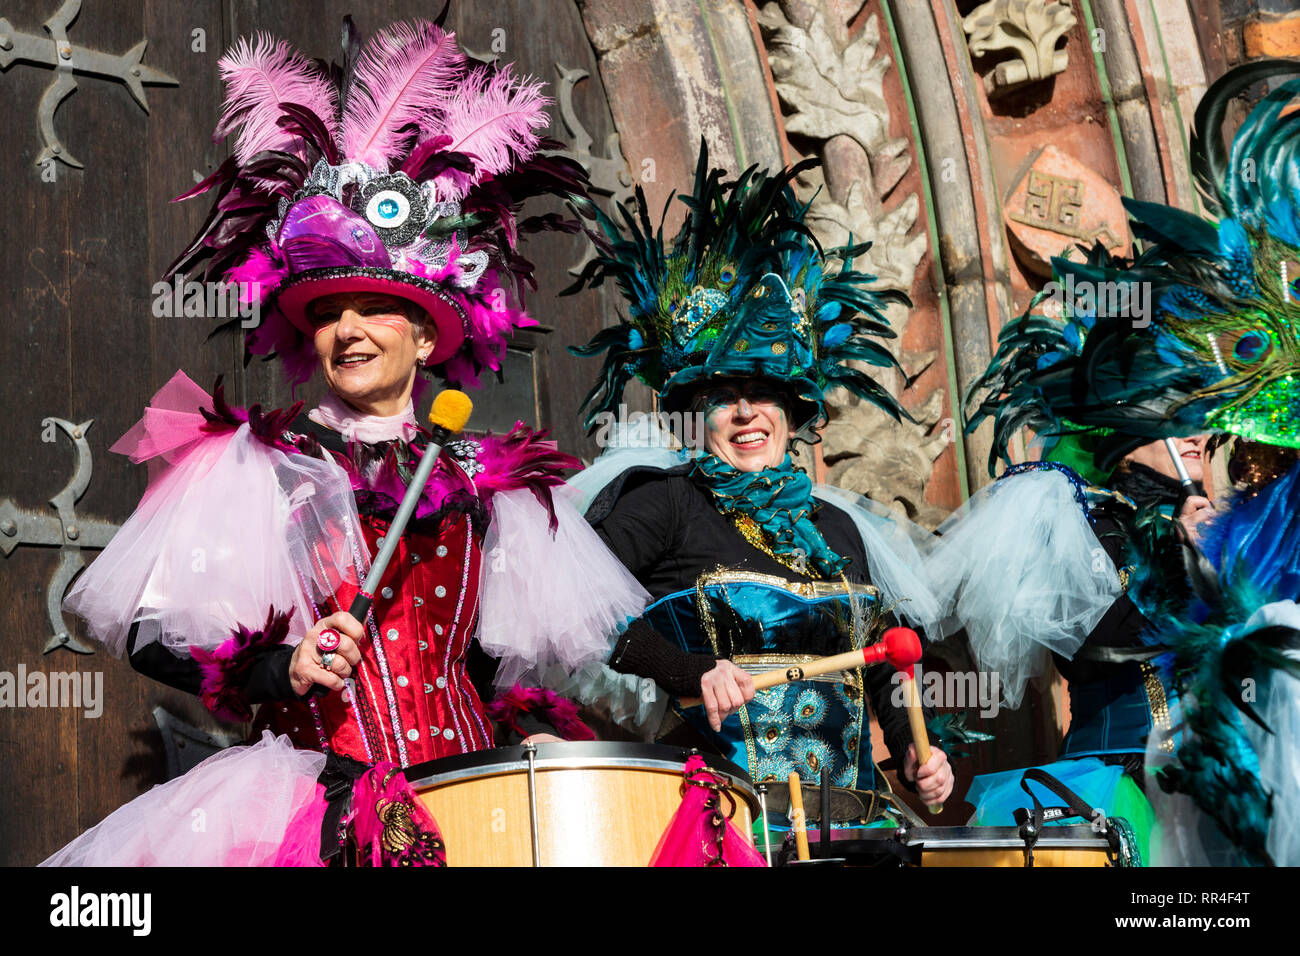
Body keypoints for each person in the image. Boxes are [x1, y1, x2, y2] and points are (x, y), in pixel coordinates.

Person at [42, 18, 648, 866]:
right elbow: (156, 637)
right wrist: (281, 668)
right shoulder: (258, 461)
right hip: (316, 802)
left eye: (373, 310)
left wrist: (705, 673)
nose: (348, 331)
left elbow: (553, 651)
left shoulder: (486, 478)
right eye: (326, 313)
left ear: (429, 338)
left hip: (469, 794)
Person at [565, 146, 955, 829]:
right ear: (696, 412)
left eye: (765, 395)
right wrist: (694, 671)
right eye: (724, 397)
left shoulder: (835, 529)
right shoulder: (666, 503)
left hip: (851, 827)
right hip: (720, 820)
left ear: (794, 413)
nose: (746, 413)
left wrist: (925, 757)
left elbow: (885, 662)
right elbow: (585, 611)